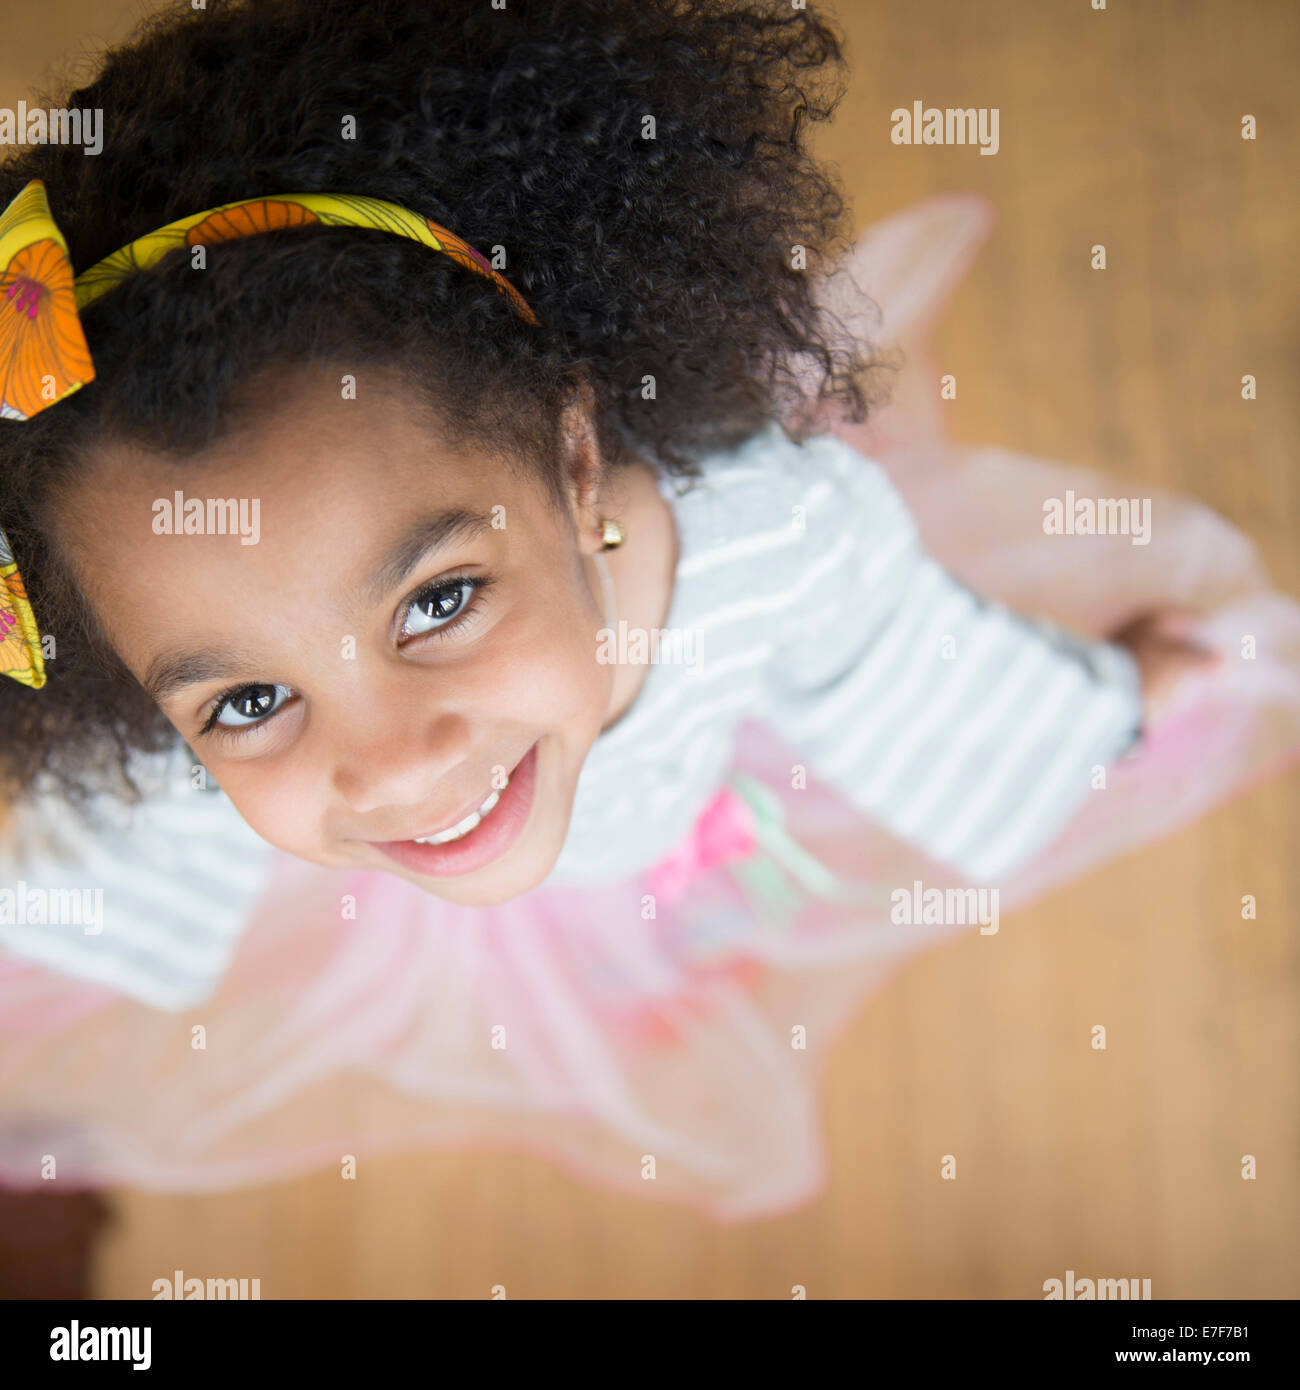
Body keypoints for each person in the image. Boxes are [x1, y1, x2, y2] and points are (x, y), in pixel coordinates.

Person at [0, 0, 1294, 1224]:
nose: (394, 763)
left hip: (671, 823)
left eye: (439, 599)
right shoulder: (163, 738)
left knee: (695, 927)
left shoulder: (774, 538)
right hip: (435, 875)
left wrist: (1102, 717)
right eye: (250, 699)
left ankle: (686, 933)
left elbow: (908, 665)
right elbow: (119, 859)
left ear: (573, 458)